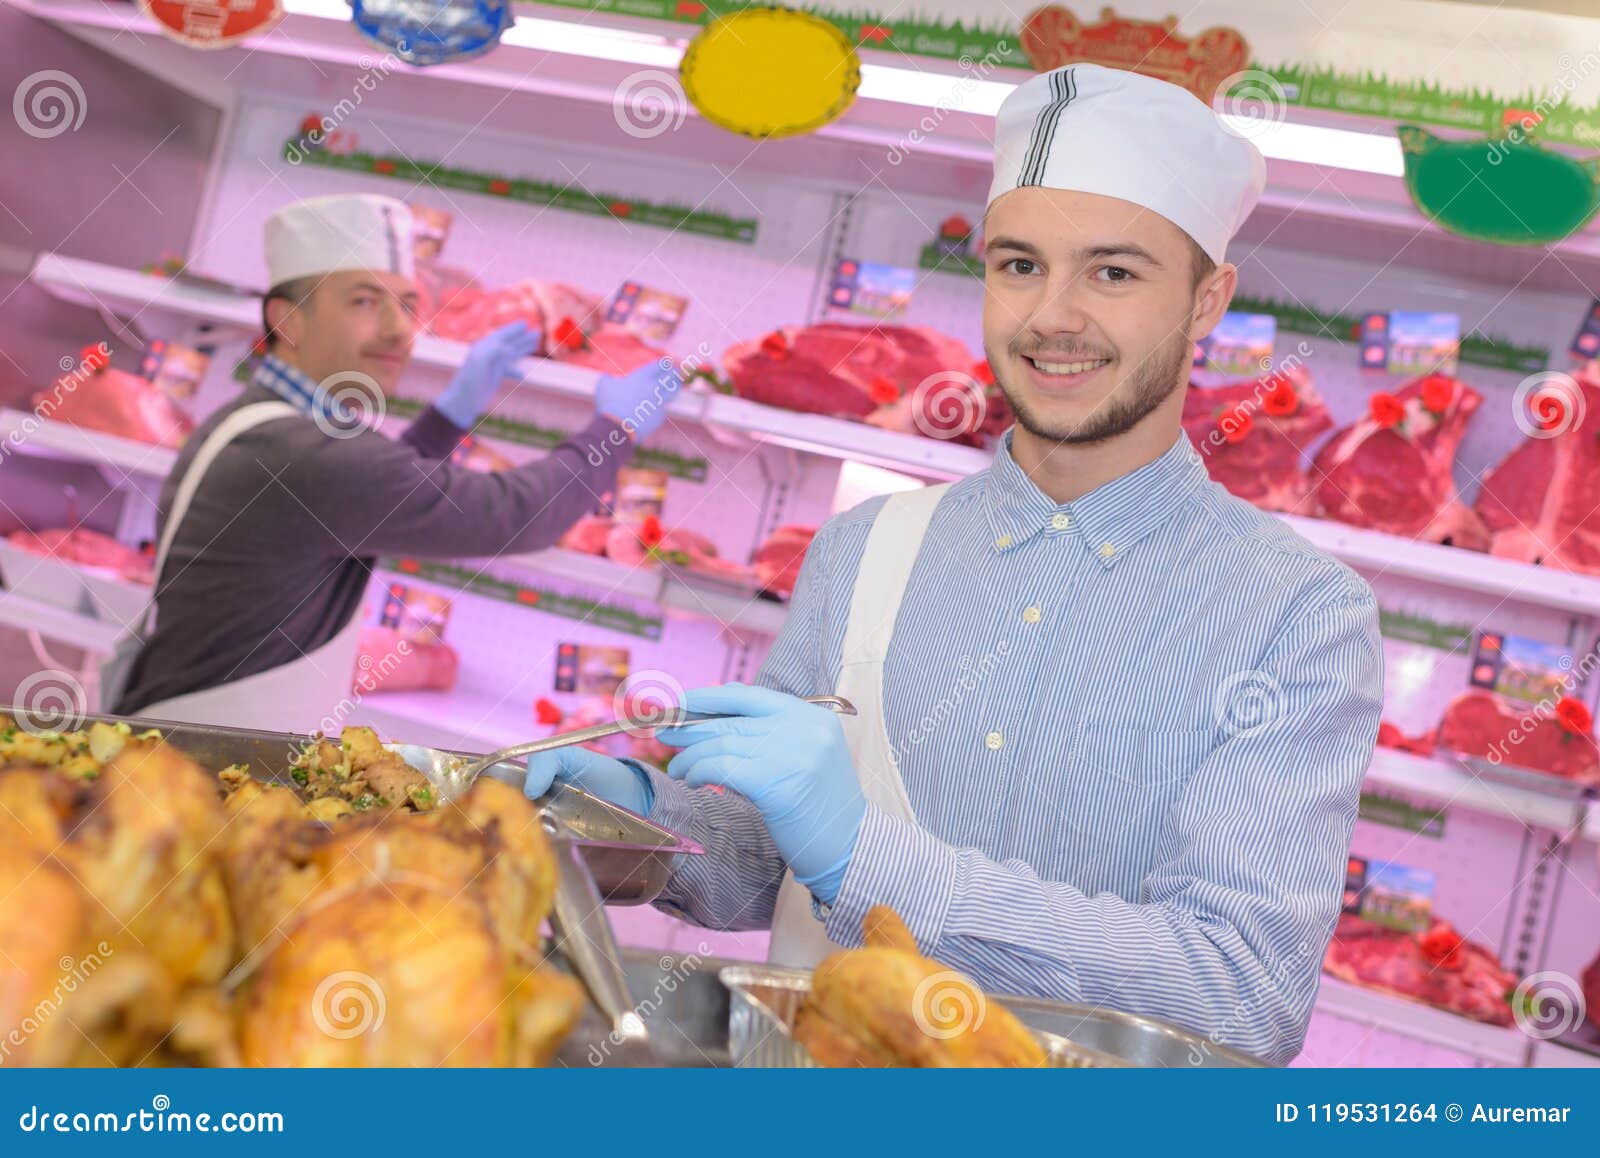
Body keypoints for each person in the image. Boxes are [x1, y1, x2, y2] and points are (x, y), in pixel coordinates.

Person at [526, 65, 1383, 1063]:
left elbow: (1240, 992)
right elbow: (760, 864)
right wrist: (629, 816)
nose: (1052, 316)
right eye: (1019, 265)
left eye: (1113, 272)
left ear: (1206, 302)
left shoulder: (1295, 613)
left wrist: (868, 858)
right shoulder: (864, 547)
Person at [113, 193, 680, 729]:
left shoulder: (258, 422)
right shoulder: (307, 455)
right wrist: (615, 429)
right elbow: (513, 514)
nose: (396, 330)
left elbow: (374, 491)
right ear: (288, 320)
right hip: (198, 765)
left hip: (189, 732)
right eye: (363, 301)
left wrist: (454, 413)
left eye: (406, 305)